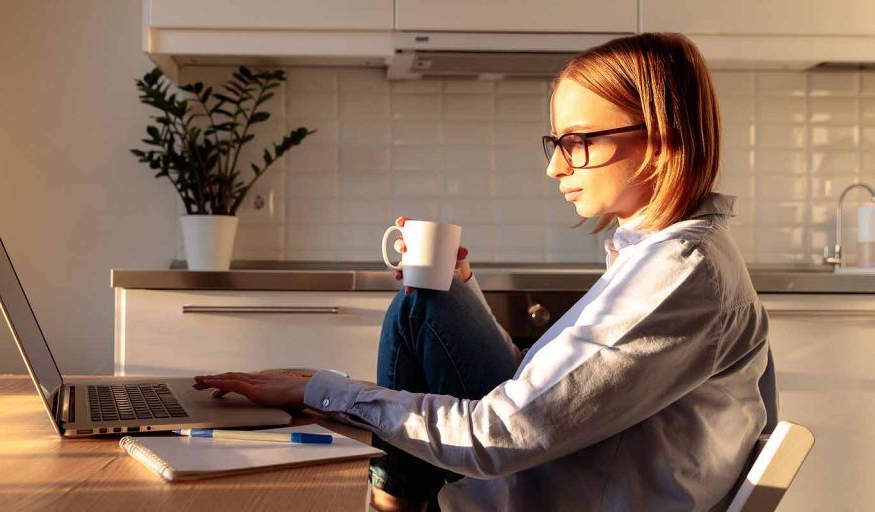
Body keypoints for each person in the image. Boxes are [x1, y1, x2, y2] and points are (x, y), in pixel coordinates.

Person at [194, 32, 777, 511]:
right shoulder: (658, 253)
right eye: (555, 142)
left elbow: (503, 434)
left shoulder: (680, 270)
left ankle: (398, 500)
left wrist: (320, 387)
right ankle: (399, 499)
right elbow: (544, 394)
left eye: (576, 143)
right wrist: (462, 290)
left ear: (660, 138)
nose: (554, 167)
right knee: (424, 300)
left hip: (549, 493)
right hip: (540, 476)